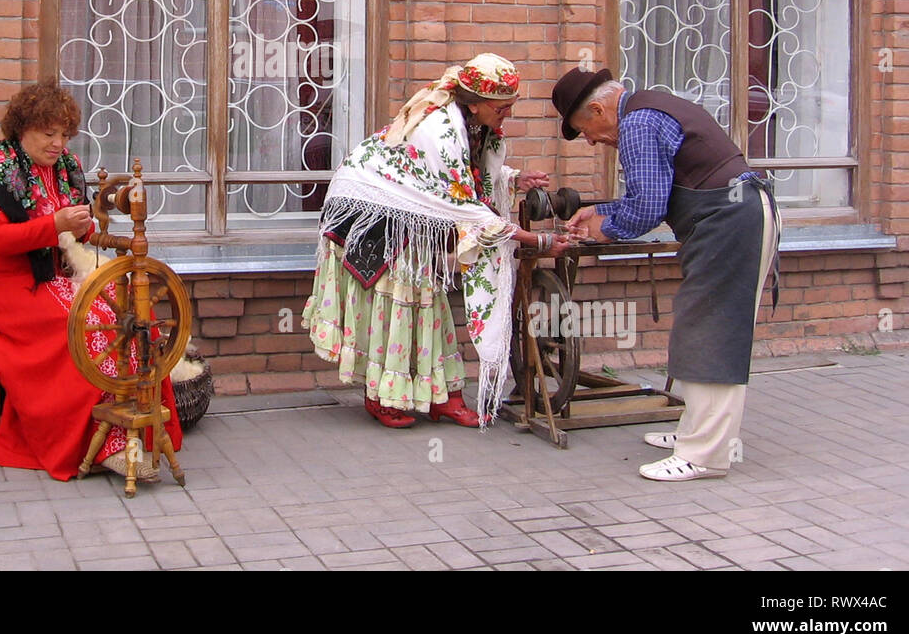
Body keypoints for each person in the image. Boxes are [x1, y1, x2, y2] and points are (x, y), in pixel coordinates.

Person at [303, 54, 570, 430]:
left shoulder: (473, 123)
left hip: (411, 210)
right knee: (396, 304)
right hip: (372, 210)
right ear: (474, 102)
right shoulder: (440, 129)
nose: (506, 115)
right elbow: (465, 206)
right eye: (501, 108)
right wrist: (535, 240)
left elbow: (466, 175)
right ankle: (382, 396)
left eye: (510, 107)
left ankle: (442, 396)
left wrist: (513, 180)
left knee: (429, 302)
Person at [551, 67, 780, 482]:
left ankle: (705, 456)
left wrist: (602, 229)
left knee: (714, 333)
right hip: (733, 217)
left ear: (599, 109)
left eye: (585, 129)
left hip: (730, 222)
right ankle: (694, 433)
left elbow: (647, 209)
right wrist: (599, 212)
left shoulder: (637, 123)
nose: (591, 140)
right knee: (698, 327)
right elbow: (651, 193)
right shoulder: (649, 107)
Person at [0, 78, 182, 482]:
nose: (57, 143)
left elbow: (76, 234)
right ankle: (100, 445)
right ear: (22, 128)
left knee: (128, 316)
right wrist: (53, 225)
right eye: (49, 134)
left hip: (57, 275)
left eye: (64, 134)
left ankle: (136, 428)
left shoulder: (67, 167)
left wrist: (81, 225)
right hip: (7, 286)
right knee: (83, 325)